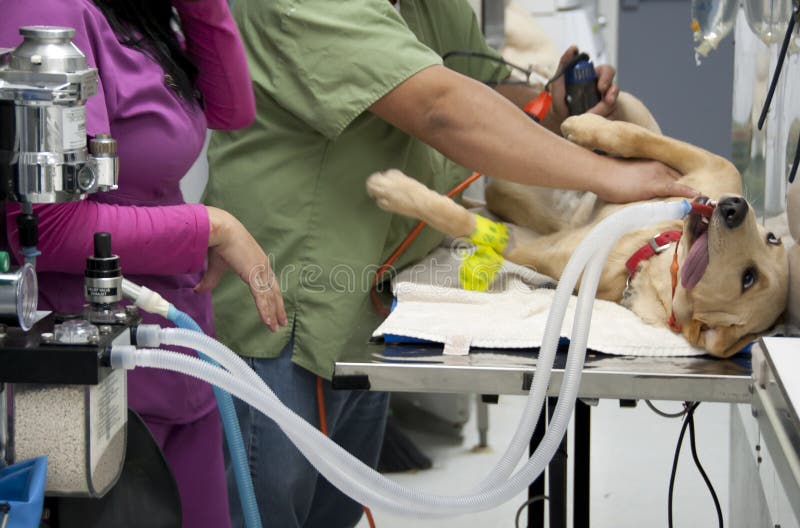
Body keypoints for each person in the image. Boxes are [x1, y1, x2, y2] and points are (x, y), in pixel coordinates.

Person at [205, 1, 699, 527]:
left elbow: (476, 83)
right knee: (267, 509)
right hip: (284, 309)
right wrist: (609, 175)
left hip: (367, 310)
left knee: (335, 510)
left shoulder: (426, 6)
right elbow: (441, 107)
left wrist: (552, 106)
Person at [1, 1, 287, 527]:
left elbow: (232, 110)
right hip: (95, 375)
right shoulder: (51, 12)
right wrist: (211, 227)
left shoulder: (133, 14)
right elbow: (47, 229)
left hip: (176, 347)